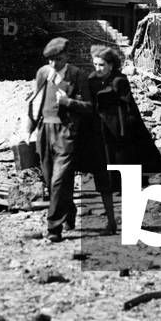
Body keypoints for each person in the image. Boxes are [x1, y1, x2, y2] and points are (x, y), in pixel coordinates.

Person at [88, 45, 161, 233]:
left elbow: (129, 109)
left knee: (128, 180)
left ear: (111, 65)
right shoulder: (91, 81)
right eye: (95, 64)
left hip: (121, 137)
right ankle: (111, 222)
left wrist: (127, 133)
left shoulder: (119, 81)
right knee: (104, 181)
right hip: (101, 137)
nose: (98, 68)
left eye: (102, 65)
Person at [31, 37, 97, 242]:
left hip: (66, 133)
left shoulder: (77, 75)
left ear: (66, 57)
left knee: (60, 180)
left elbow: (90, 107)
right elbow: (35, 101)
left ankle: (53, 228)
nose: (53, 64)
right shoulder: (43, 73)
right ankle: (69, 209)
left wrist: (68, 102)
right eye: (50, 60)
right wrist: (29, 130)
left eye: (58, 60)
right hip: (45, 130)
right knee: (50, 180)